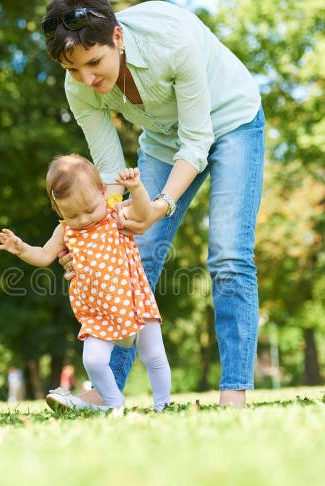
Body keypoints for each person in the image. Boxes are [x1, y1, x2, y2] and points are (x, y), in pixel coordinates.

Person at [41, 0, 265, 408]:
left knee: (229, 254)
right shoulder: (79, 87)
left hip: (232, 122)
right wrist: (92, 242)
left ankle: (234, 392)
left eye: (94, 63)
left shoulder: (171, 41)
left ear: (117, 38)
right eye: (73, 70)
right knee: (134, 252)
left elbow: (197, 141)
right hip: (163, 143)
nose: (86, 78)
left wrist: (161, 204)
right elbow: (109, 174)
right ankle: (106, 391)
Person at [0, 154, 171, 412]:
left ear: (103, 192)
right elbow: (44, 255)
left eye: (89, 210)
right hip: (97, 310)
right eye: (72, 214)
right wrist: (21, 248)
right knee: (93, 361)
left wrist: (136, 188)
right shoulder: (65, 230)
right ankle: (114, 403)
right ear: (59, 210)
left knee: (153, 354)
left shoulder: (114, 213)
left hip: (134, 299)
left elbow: (144, 213)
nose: (84, 219)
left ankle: (163, 405)